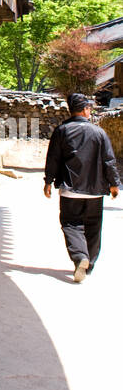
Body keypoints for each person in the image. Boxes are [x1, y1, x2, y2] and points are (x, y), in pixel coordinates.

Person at [43, 92, 120, 281]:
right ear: (85, 110)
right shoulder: (99, 132)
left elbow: (53, 158)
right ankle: (88, 265)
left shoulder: (62, 131)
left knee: (71, 224)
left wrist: (48, 181)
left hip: (70, 190)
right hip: (95, 191)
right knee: (93, 227)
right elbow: (108, 161)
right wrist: (114, 184)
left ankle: (80, 257)